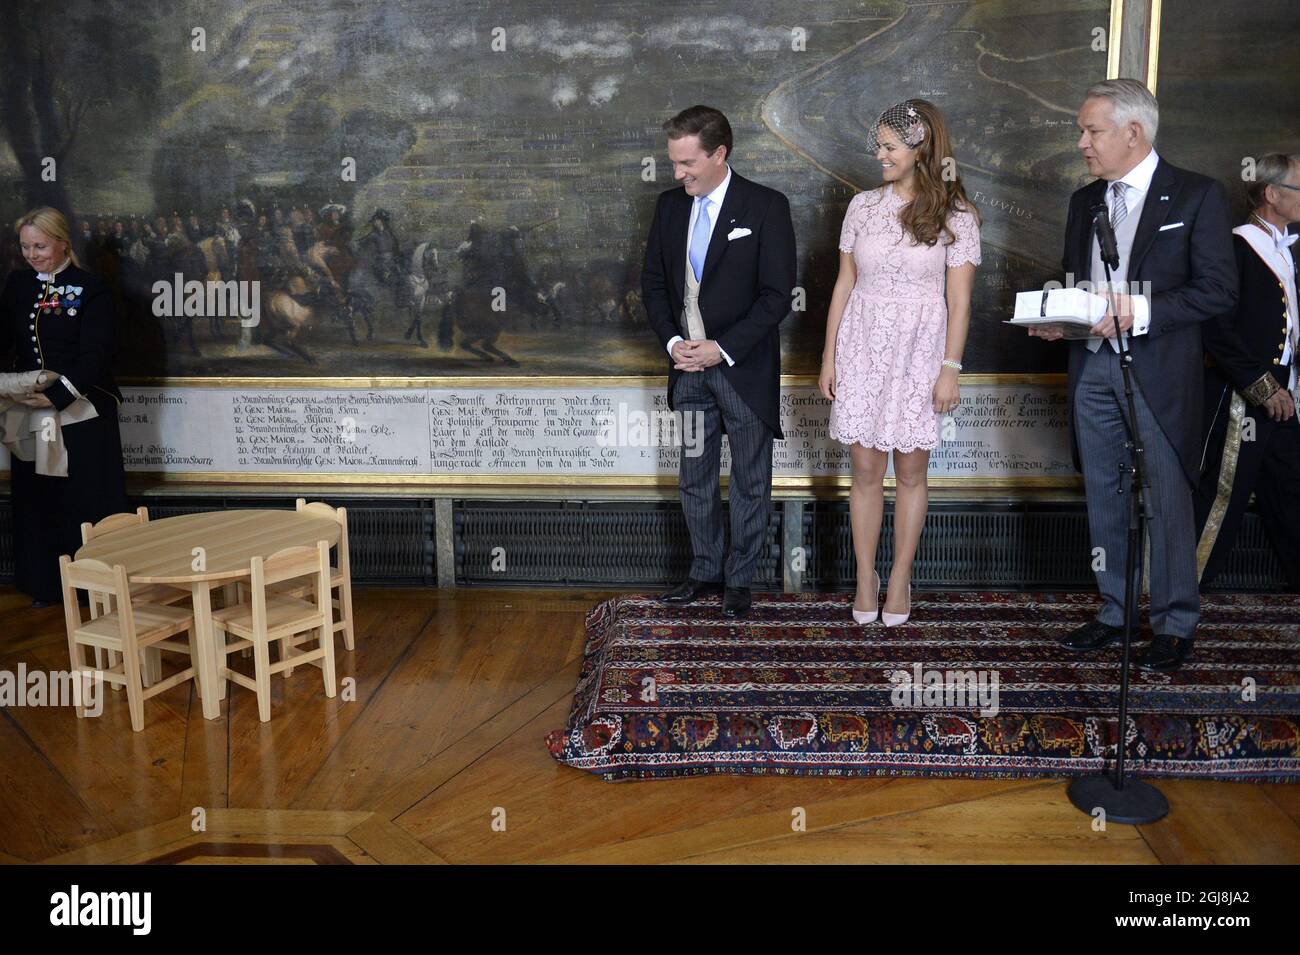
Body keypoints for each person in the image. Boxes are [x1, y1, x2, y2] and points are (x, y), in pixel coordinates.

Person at [1029, 79, 1236, 672]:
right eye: (1082, 131)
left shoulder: (1196, 196)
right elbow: (1082, 283)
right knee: (1106, 492)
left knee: (1168, 497)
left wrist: (1139, 311)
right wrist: (1062, 322)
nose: (1082, 143)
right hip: (1091, 368)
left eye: (1091, 131)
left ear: (1133, 132)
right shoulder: (1083, 201)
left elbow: (1219, 291)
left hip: (1159, 372)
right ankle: (1116, 610)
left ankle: (1174, 621)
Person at [819, 99, 980, 626]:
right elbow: (845, 283)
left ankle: (900, 577)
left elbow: (960, 302)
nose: (879, 154)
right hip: (861, 344)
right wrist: (829, 356)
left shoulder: (958, 215)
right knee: (864, 469)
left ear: (921, 149)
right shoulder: (862, 207)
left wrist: (950, 369)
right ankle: (865, 576)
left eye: (889, 146)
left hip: (921, 352)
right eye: (879, 144)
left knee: (911, 470)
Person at [642, 105, 797, 618]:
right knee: (694, 476)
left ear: (719, 154)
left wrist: (723, 348)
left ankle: (740, 580)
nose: (678, 173)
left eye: (687, 163)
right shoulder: (668, 207)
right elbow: (655, 286)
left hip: (743, 372)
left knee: (751, 478)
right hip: (687, 374)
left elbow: (776, 297)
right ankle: (704, 571)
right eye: (674, 163)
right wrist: (673, 343)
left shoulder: (766, 207)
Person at [0, 207, 127, 607]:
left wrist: (56, 396)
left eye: (40, 246)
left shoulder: (92, 288)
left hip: (83, 411)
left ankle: (94, 587)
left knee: (84, 497)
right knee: (38, 499)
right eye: (25, 247)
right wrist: (11, 387)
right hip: (28, 411)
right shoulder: (18, 285)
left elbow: (97, 355)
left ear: (63, 242)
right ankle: (46, 586)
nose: (32, 254)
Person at [1194, 153, 1300, 589]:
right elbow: (1215, 329)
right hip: (1244, 399)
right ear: (1272, 194)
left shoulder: (1290, 247)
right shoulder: (1236, 246)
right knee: (1221, 499)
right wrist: (1262, 386)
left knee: (1292, 496)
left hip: (1289, 397)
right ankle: (1178, 600)